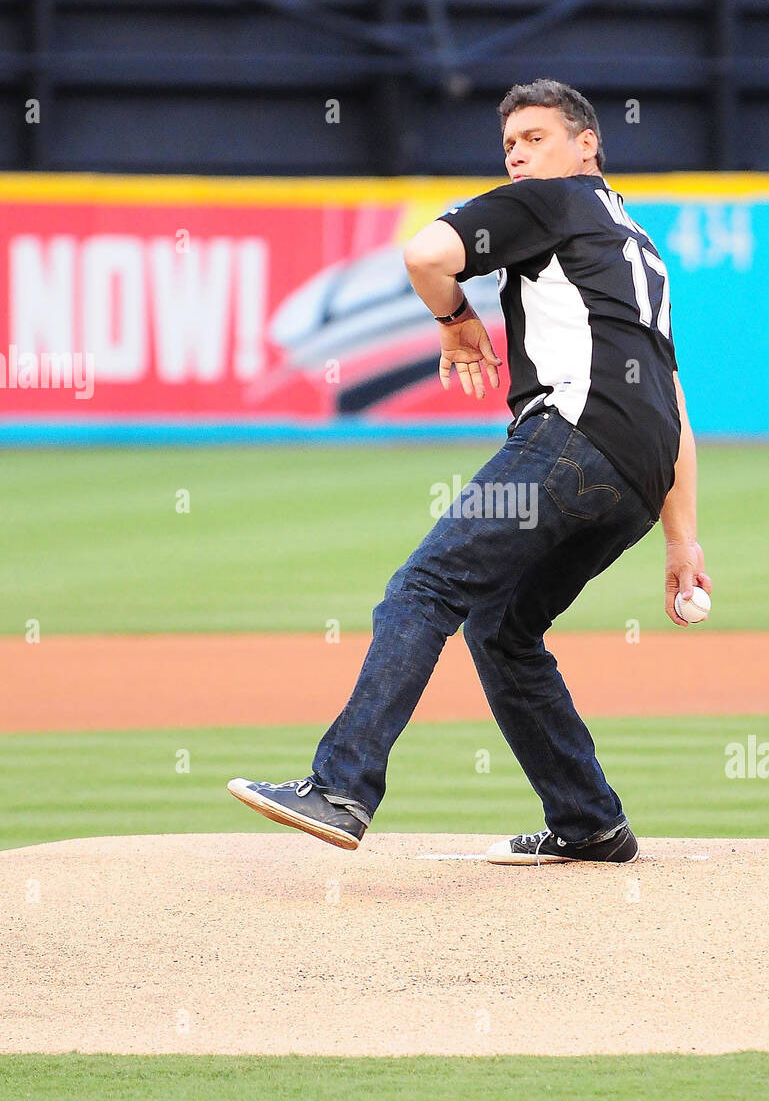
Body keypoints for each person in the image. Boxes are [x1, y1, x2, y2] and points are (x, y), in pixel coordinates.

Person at [229, 78, 711, 865]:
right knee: (503, 629)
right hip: (634, 481)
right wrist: (680, 538)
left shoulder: (552, 202)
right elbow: (677, 404)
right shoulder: (641, 253)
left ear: (587, 144)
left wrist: (454, 322)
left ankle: (340, 787)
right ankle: (589, 822)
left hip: (568, 443)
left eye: (536, 137)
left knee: (426, 587)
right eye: (510, 145)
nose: (519, 155)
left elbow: (425, 254)